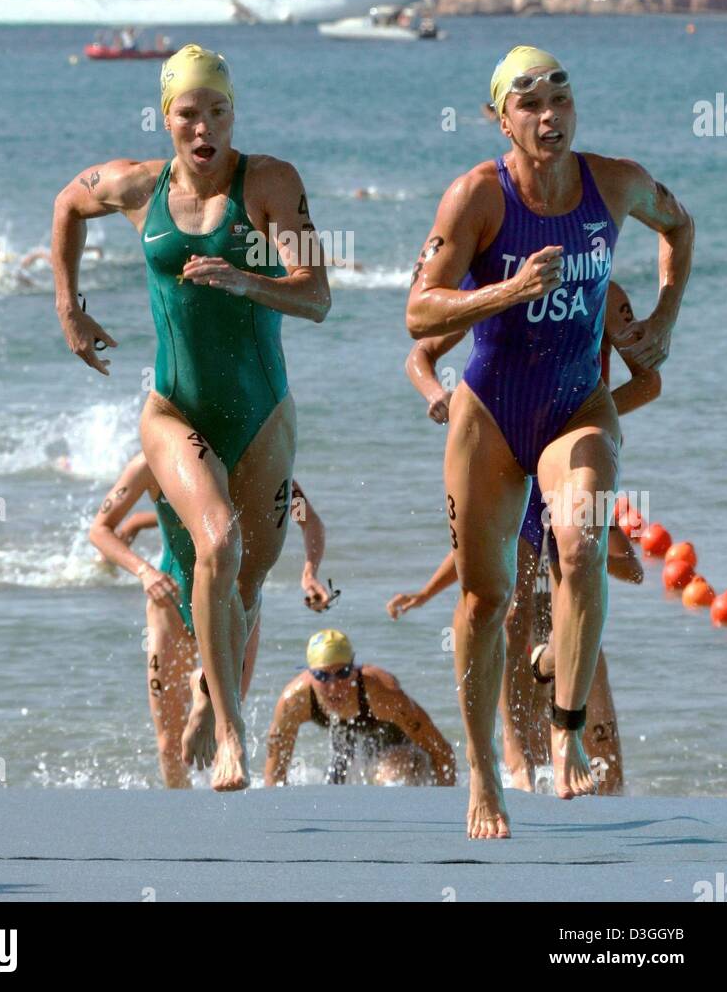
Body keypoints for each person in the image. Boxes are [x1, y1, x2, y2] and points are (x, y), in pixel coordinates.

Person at [406, 45, 693, 837]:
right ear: (502, 118)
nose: (549, 116)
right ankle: (484, 777)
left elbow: (682, 223)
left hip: (577, 408)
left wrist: (664, 319)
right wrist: (507, 289)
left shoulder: (617, 182)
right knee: (486, 600)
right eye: (528, 104)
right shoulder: (476, 197)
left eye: (560, 98)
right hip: (491, 413)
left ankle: (564, 732)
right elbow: (419, 315)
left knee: (581, 542)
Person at [51, 42, 330, 791]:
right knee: (217, 540)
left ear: (233, 113)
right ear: (165, 117)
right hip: (172, 408)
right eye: (188, 114)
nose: (203, 127)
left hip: (264, 416)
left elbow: (316, 297)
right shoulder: (136, 187)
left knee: (244, 585)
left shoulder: (271, 183)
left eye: (218, 112)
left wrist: (245, 281)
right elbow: (67, 203)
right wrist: (69, 307)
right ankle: (234, 735)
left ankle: (214, 693)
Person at [396, 276, 655, 793]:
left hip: (569, 455)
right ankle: (512, 757)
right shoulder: (493, 283)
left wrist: (589, 413)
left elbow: (648, 380)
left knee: (604, 577)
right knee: (505, 610)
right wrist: (437, 396)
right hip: (503, 455)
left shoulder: (602, 286)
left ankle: (556, 678)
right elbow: (419, 355)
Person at [89, 449, 331, 787]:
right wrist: (144, 572)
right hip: (170, 601)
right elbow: (100, 530)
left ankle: (223, 824)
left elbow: (309, 521)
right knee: (169, 744)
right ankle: (181, 821)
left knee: (226, 724)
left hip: (238, 606)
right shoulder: (152, 461)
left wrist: (309, 573)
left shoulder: (256, 452)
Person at [264, 629, 456, 787]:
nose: (334, 687)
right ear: (309, 673)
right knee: (333, 790)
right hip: (346, 745)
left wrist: (442, 801)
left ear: (354, 668)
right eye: (322, 676)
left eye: (343, 673)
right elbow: (274, 775)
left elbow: (441, 751)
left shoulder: (382, 693)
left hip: (396, 743)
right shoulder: (293, 702)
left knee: (390, 781)